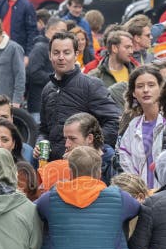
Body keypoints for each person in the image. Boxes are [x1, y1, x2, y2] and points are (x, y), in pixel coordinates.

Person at [35, 146, 139, 249]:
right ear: (99, 172)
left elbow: (31, 210)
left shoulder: (49, 200)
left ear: (70, 172)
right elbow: (140, 207)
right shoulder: (121, 199)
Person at [39, 32, 122, 160]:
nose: (61, 57)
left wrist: (91, 148)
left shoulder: (91, 85)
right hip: (55, 167)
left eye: (66, 53)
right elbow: (44, 129)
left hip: (85, 166)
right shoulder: (47, 89)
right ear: (50, 55)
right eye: (56, 53)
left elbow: (114, 121)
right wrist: (40, 144)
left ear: (76, 55)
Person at [38, 112, 116, 190]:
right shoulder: (66, 158)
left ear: (90, 138)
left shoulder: (113, 165)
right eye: (66, 139)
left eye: (72, 139)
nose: (66, 144)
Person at [118, 66, 166, 189]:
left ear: (161, 89)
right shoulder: (132, 126)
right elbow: (125, 161)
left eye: (151, 85)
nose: (146, 90)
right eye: (140, 86)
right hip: (140, 196)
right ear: (134, 93)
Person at [27, 18, 67, 122]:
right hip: (39, 105)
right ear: (52, 29)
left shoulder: (51, 48)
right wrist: (57, 77)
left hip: (51, 105)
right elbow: (34, 73)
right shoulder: (40, 48)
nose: (65, 35)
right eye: (63, 31)